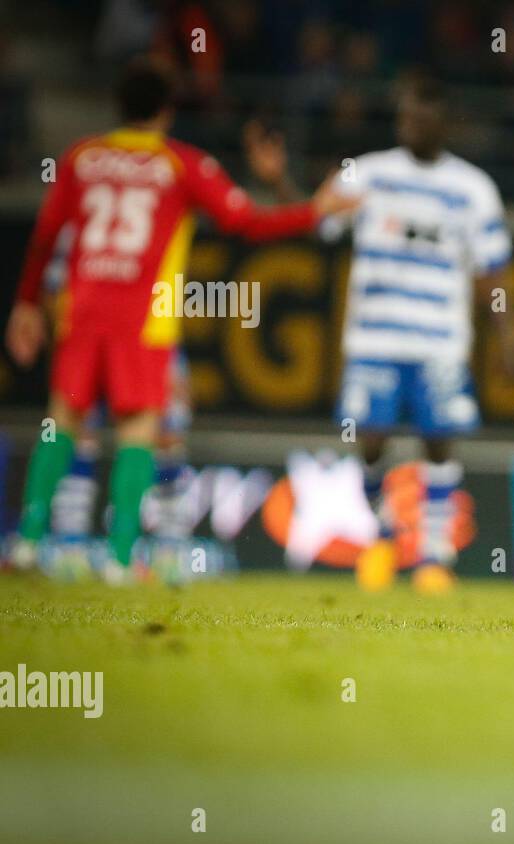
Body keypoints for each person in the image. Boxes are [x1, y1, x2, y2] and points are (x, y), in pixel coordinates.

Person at [5, 56, 357, 581]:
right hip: (142, 317)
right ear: (167, 111)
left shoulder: (82, 157)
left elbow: (45, 236)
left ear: (117, 106)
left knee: (62, 421)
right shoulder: (180, 164)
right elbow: (244, 221)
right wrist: (313, 210)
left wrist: (27, 303)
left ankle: (29, 543)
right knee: (139, 429)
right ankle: (122, 557)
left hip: (81, 309)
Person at [306, 70, 514, 593]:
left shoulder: (472, 189)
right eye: (405, 116)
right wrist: (281, 184)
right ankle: (380, 537)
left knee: (440, 441)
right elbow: (315, 218)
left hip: (439, 339)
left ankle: (433, 557)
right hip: (374, 338)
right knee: (371, 440)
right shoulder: (369, 174)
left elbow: (493, 270)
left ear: (444, 124)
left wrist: (507, 339)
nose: (412, 126)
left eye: (422, 119)